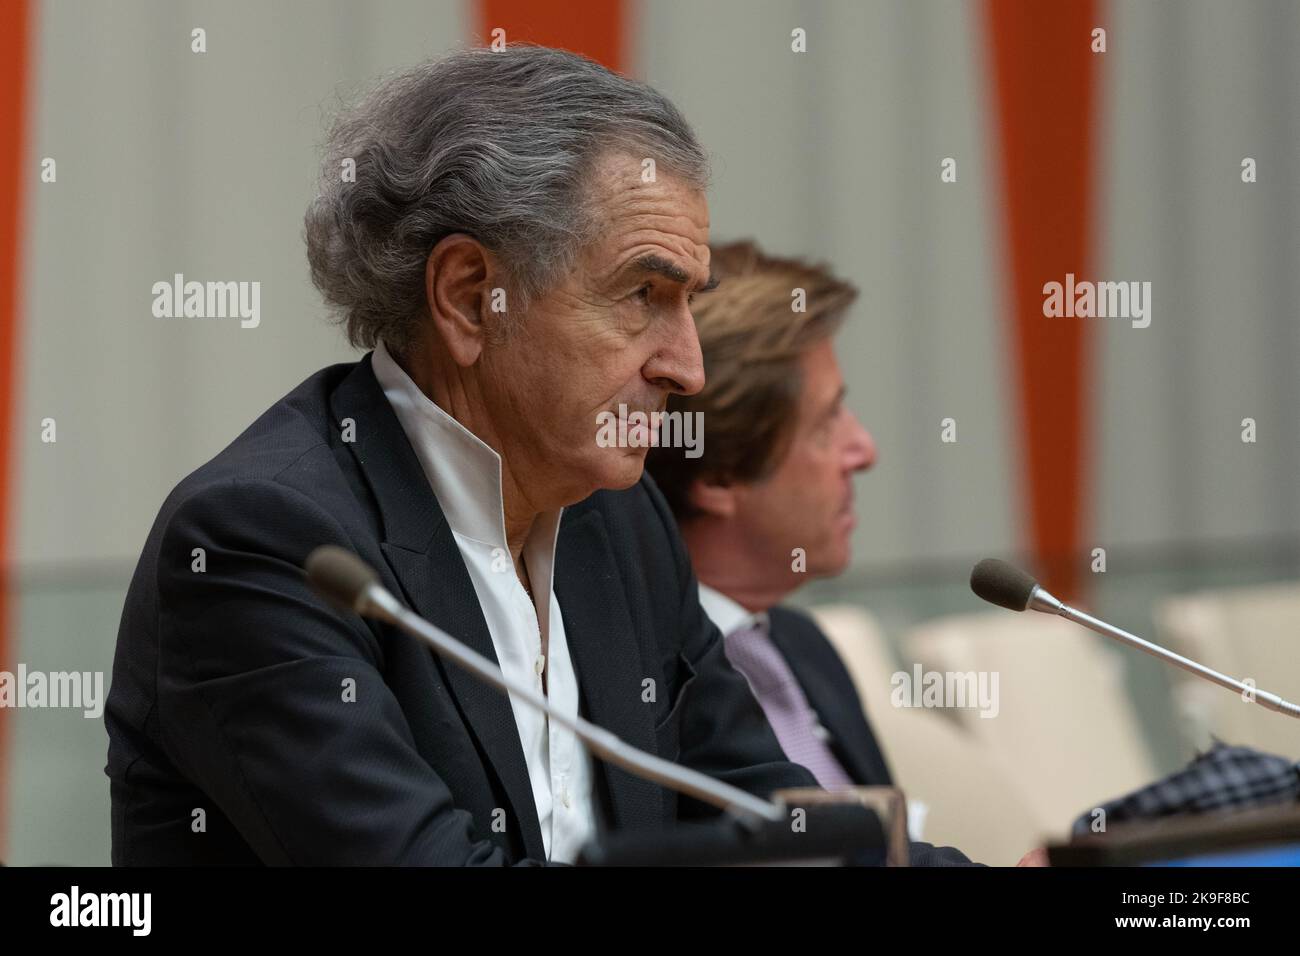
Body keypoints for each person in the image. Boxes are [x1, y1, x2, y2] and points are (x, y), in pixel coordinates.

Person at [105, 47, 819, 866]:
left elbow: (776, 824)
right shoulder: (266, 541)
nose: (688, 368)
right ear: (471, 298)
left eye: (690, 304)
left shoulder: (617, 518)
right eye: (641, 296)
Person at [646, 240, 977, 865]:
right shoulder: (651, 694)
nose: (866, 450)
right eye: (827, 423)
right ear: (718, 479)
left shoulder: (803, 649)